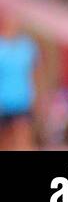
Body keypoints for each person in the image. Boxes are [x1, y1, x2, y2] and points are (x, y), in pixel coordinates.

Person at [0, 12, 40, 150]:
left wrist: (36, 97)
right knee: (4, 140)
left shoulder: (28, 47)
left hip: (22, 99)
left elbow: (34, 73)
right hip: (3, 100)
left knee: (23, 137)